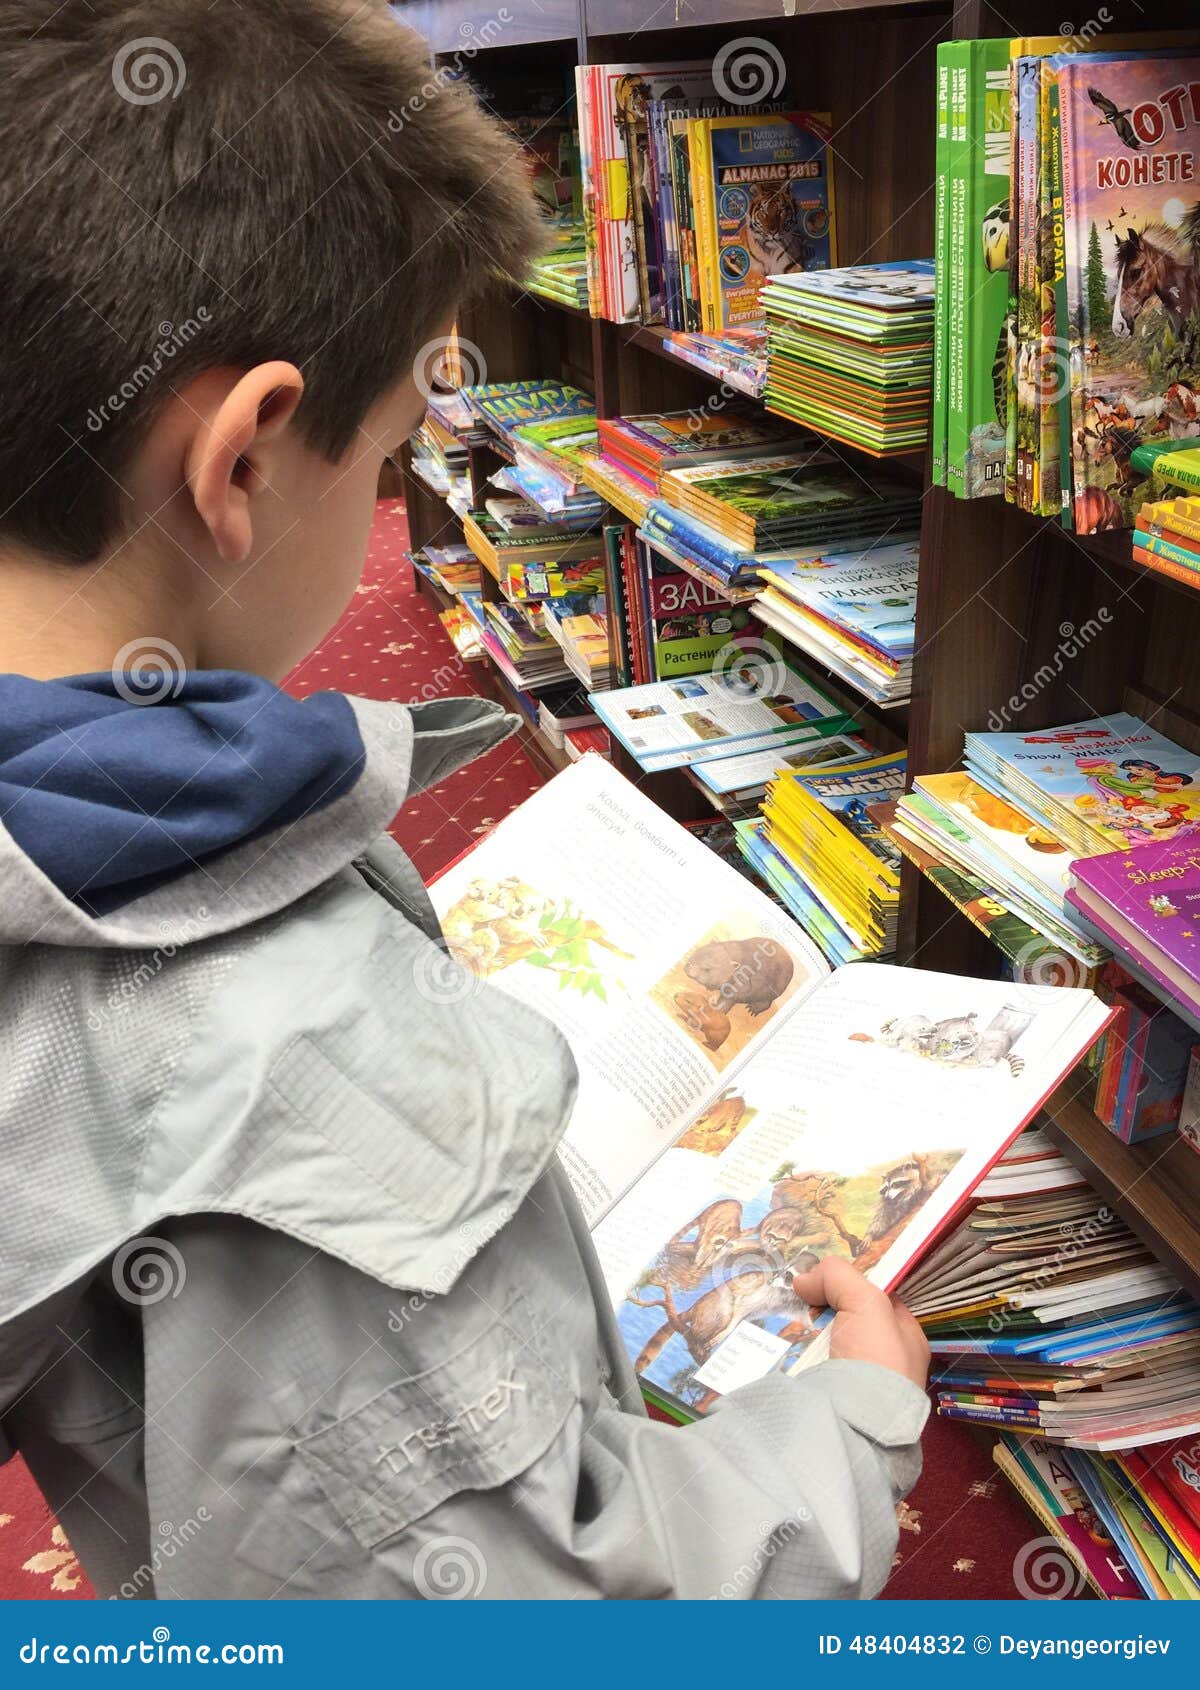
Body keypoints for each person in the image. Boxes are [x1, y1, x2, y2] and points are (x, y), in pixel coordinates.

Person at [0, 0, 929, 1600]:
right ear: (243, 462)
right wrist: (852, 1431)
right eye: (390, 456)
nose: (393, 489)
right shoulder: (283, 1042)